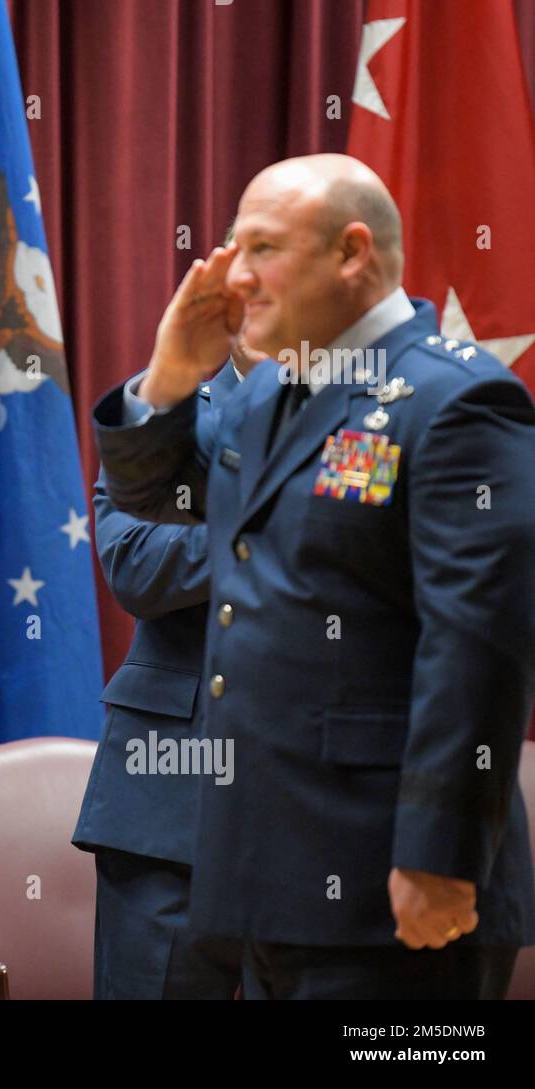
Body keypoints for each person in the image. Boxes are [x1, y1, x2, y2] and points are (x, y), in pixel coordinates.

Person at [94, 153, 535, 999]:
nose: (237, 275)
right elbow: (152, 504)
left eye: (263, 248)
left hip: (390, 881)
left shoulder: (458, 399)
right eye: (232, 248)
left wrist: (439, 855)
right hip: (271, 879)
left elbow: (480, 645)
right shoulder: (271, 399)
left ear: (352, 252)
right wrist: (170, 378)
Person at [72, 331, 263, 999]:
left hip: (324, 811)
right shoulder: (163, 421)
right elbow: (136, 564)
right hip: (168, 808)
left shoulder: (367, 419)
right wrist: (277, 532)